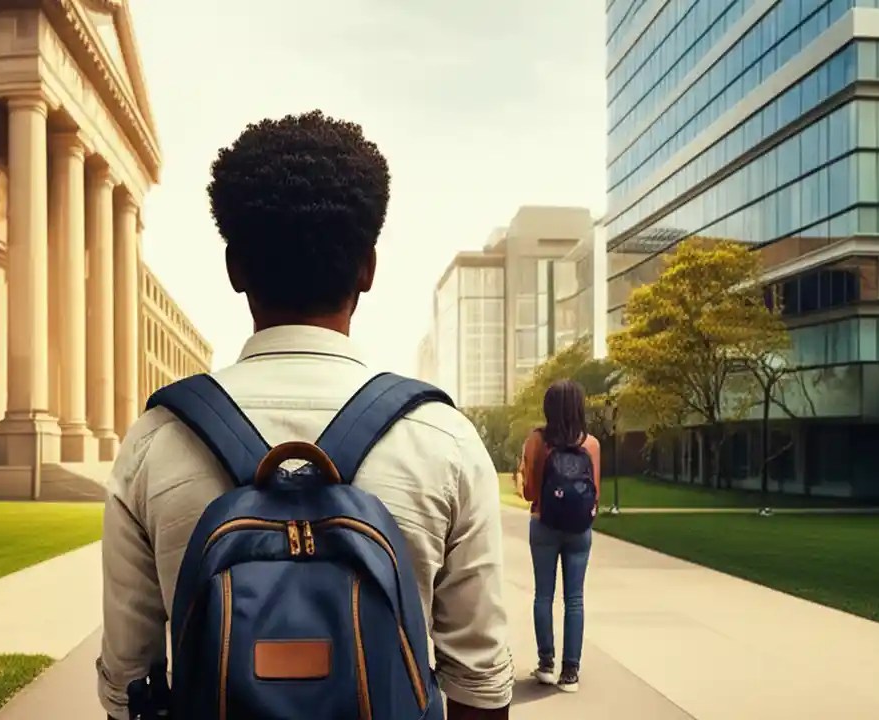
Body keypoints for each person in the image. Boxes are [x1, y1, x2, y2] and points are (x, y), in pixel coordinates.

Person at [97, 110, 515, 720]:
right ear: (367, 269)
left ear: (235, 268)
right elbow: (480, 689)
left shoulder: (155, 442)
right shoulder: (442, 439)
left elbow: (128, 686)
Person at [519, 380, 600, 693]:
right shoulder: (591, 444)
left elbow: (529, 494)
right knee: (575, 599)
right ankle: (571, 672)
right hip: (580, 530)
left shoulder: (538, 441)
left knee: (544, 595)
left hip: (544, 525)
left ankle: (547, 664)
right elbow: (596, 496)